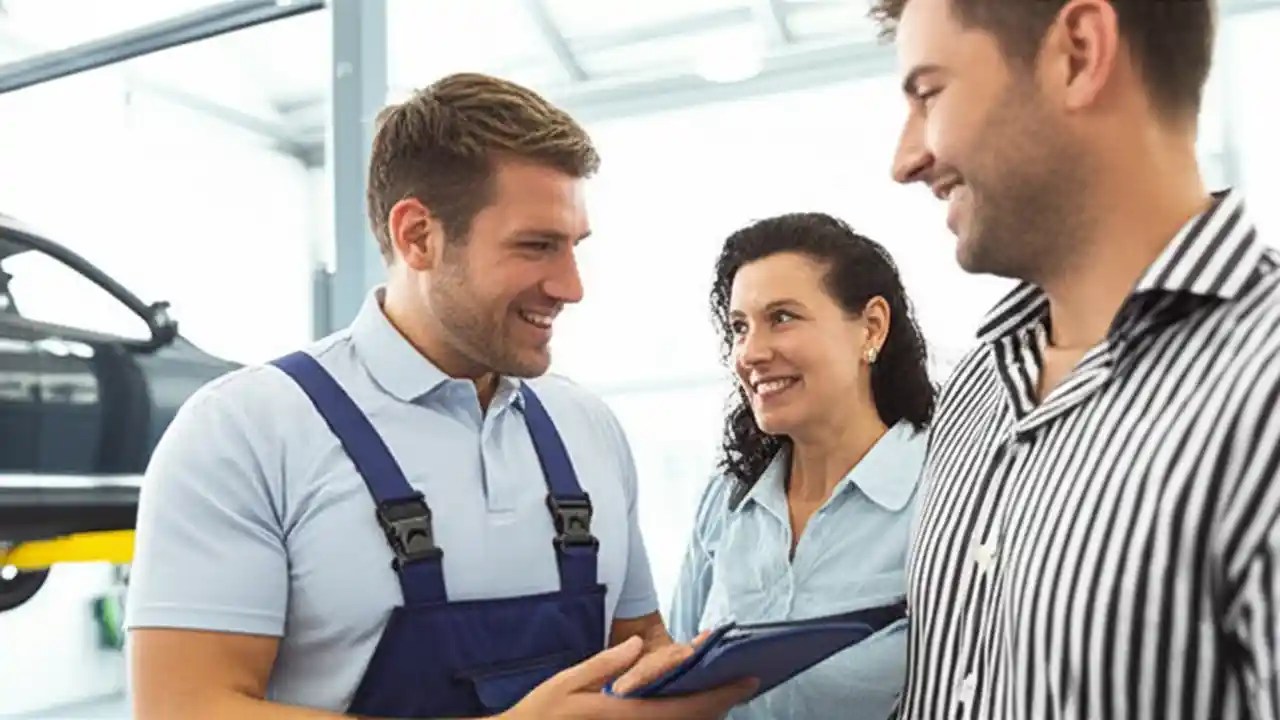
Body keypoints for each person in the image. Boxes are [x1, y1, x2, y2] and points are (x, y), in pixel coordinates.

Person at [124, 72, 754, 720]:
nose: (571, 286)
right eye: (536, 246)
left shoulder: (586, 426)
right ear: (418, 236)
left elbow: (638, 644)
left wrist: (711, 671)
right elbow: (183, 708)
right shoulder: (245, 431)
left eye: (573, 247)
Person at [872, 0, 1280, 717]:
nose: (906, 160)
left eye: (929, 93)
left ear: (1080, 52)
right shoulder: (977, 387)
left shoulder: (1263, 390)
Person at [645, 213, 936, 718]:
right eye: (739, 327)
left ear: (872, 327)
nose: (751, 353)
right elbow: (682, 690)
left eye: (782, 317)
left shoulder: (945, 490)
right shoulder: (728, 498)